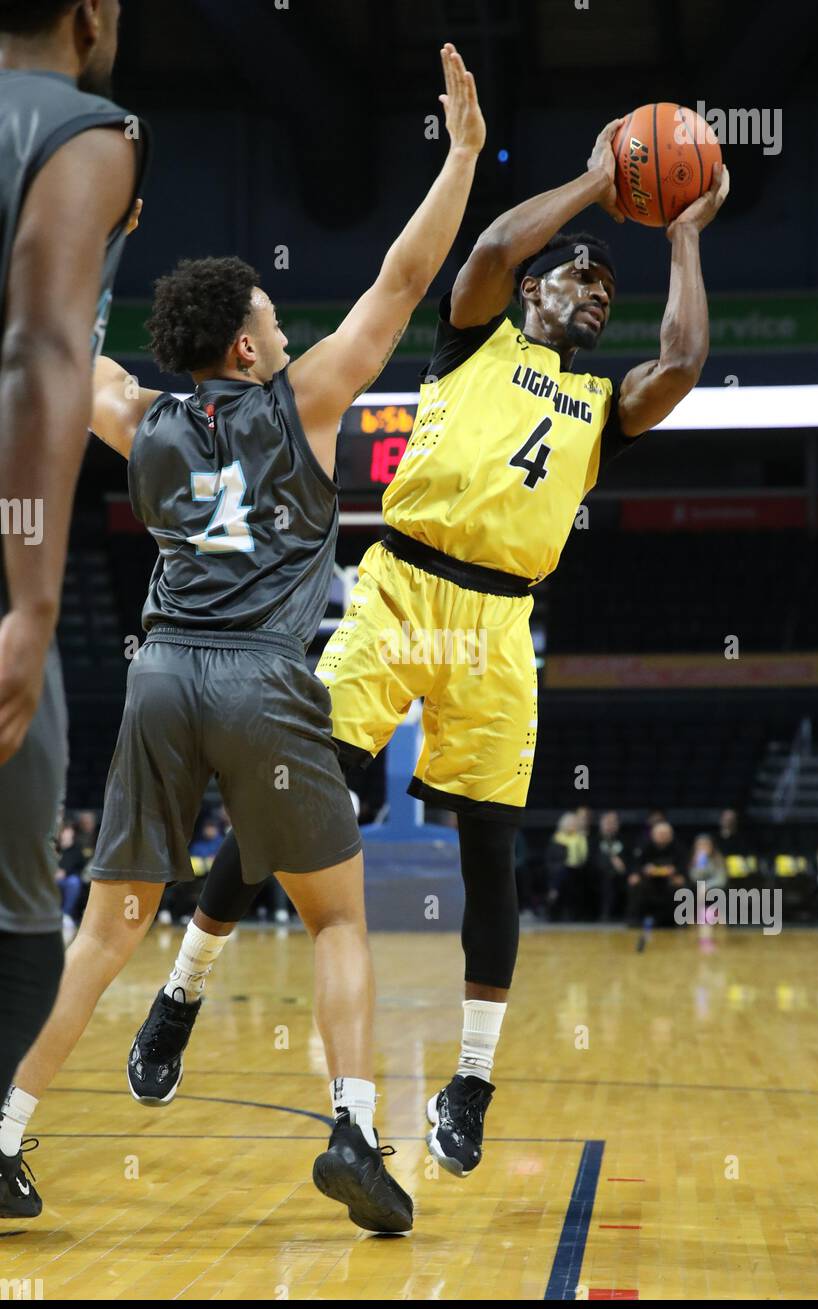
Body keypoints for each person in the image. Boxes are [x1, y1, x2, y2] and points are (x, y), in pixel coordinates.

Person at [141, 113, 730, 1178]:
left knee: (490, 858)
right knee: (287, 806)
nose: (595, 291)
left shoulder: (604, 405)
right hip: (400, 591)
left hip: (500, 625)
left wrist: (683, 232)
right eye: (578, 278)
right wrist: (599, 183)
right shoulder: (476, 331)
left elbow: (683, 357)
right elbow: (495, 248)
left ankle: (470, 1079)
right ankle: (180, 993)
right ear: (535, 294)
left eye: (607, 287)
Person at [0, 43, 485, 1232]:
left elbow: (59, 347)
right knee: (337, 918)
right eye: (271, 317)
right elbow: (403, 277)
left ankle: (2, 1132)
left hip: (159, 678)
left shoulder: (140, 418)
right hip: (265, 684)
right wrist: (463, 154)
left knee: (110, 927)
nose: (282, 323)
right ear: (248, 349)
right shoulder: (302, 402)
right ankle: (355, 1130)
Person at [0, 0, 148, 1218]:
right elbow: (43, 353)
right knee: (17, 888)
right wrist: (31, 598)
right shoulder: (88, 131)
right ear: (92, 16)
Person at [627, 820, 688, 929]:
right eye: (660, 834)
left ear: (671, 835)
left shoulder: (679, 847)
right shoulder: (644, 846)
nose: (662, 837)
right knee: (635, 883)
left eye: (665, 834)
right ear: (653, 835)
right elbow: (636, 864)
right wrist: (640, 872)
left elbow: (683, 866)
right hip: (649, 880)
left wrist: (677, 872)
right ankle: (634, 919)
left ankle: (680, 919)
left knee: (681, 885)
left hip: (670, 880)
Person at [546, 810, 591, 921]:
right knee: (562, 871)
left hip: (577, 868)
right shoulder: (557, 838)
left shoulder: (580, 837)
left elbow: (583, 857)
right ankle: (555, 900)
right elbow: (550, 857)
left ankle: (553, 893)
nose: (572, 825)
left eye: (574, 823)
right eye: (570, 823)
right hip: (559, 868)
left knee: (564, 873)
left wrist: (581, 839)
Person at [687, 833, 727, 951]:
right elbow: (694, 878)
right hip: (698, 891)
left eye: (706, 845)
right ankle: (705, 930)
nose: (703, 848)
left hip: (715, 890)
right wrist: (700, 865)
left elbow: (721, 879)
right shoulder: (695, 860)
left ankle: (708, 922)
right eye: (700, 845)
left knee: (709, 894)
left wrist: (707, 886)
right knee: (696, 892)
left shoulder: (718, 859)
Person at [595, 810, 627, 921]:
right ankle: (606, 914)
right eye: (607, 823)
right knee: (608, 877)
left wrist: (622, 865)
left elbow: (629, 858)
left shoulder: (624, 839)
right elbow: (593, 859)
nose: (610, 826)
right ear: (601, 824)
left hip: (621, 873)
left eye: (613, 823)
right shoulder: (594, 839)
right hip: (598, 873)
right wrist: (611, 862)